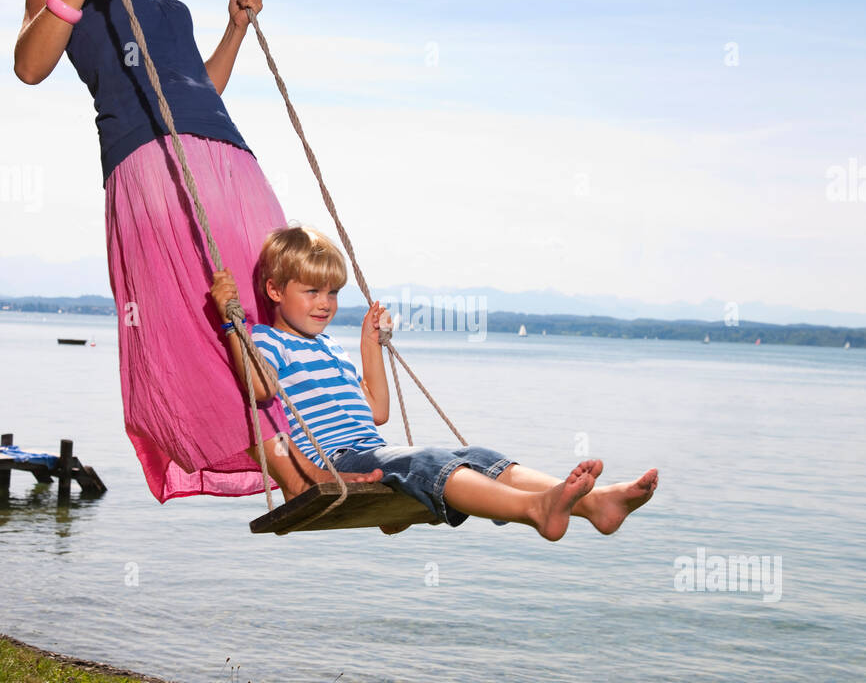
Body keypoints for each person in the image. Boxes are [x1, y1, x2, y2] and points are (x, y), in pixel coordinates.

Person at [14, 0, 382, 504]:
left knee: (271, 304)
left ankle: (323, 460)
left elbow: (195, 85)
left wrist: (235, 29)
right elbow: (29, 63)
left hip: (226, 152)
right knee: (201, 316)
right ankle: (286, 473)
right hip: (149, 160)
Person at [210, 225, 660, 539]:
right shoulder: (268, 342)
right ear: (274, 291)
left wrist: (370, 345)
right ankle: (534, 509)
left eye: (332, 292)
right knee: (425, 460)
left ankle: (594, 504)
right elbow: (261, 389)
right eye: (312, 291)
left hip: (368, 444)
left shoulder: (329, 347)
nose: (325, 303)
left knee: (476, 455)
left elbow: (376, 411)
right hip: (334, 461)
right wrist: (234, 325)